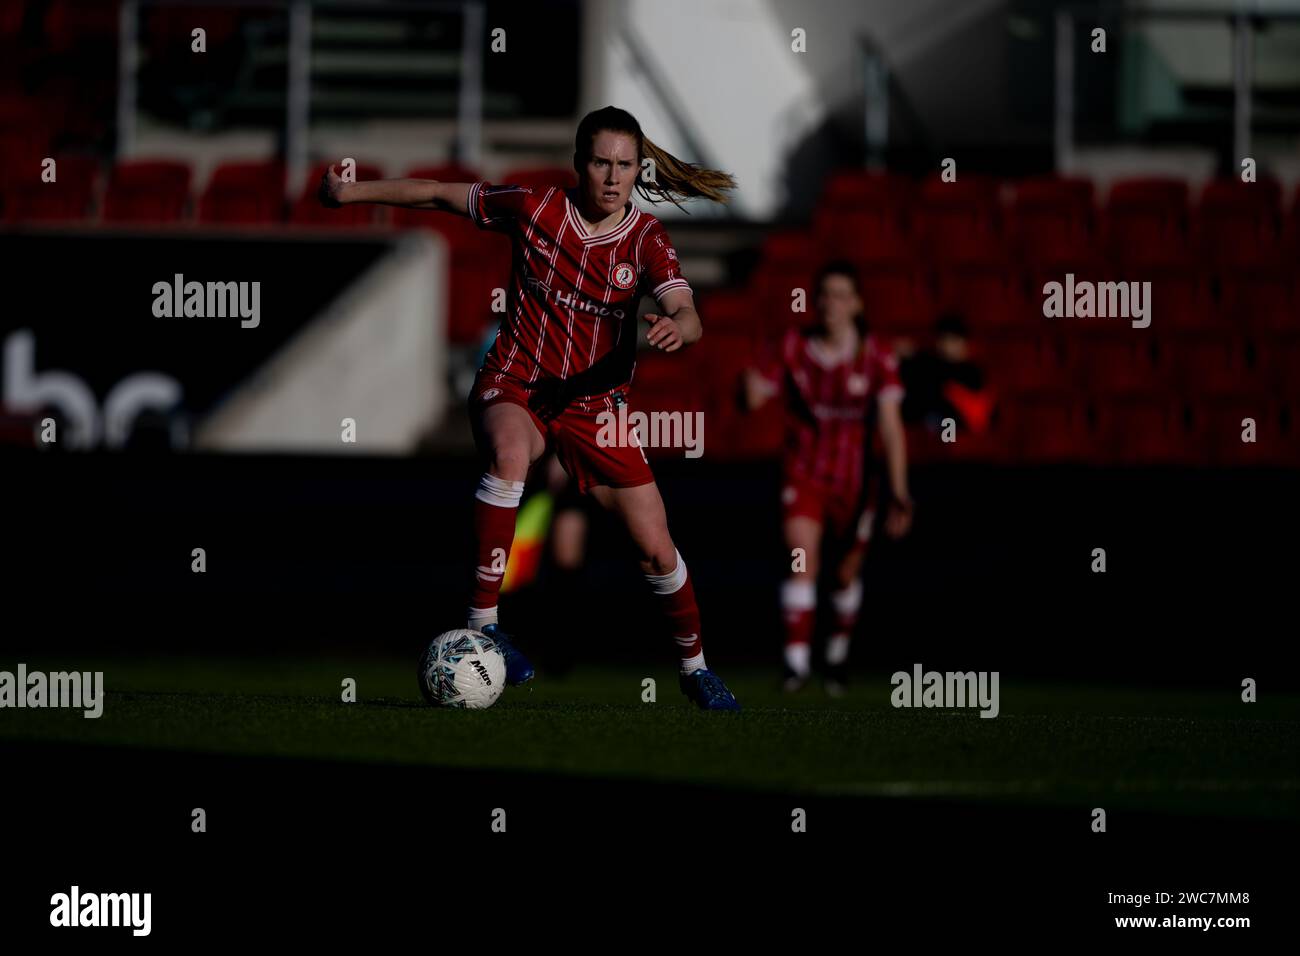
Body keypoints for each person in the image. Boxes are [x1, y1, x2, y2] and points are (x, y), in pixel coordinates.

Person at [319, 106, 741, 709]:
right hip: (515, 382)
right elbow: (440, 194)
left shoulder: (647, 238)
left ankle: (695, 668)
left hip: (596, 409)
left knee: (656, 547)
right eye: (601, 162)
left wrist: (680, 326)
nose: (613, 176)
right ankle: (485, 624)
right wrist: (350, 191)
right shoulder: (537, 207)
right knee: (511, 453)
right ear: (579, 163)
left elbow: (688, 311)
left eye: (625, 165)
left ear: (637, 169)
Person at [744, 260, 913, 695]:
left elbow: (891, 427)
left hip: (856, 483)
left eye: (841, 295)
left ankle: (835, 660)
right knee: (801, 558)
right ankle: (795, 667)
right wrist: (748, 386)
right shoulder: (793, 347)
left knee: (843, 574)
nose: (831, 304)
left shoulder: (876, 354)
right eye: (825, 294)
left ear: (856, 304)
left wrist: (899, 490)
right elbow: (753, 396)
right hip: (804, 475)